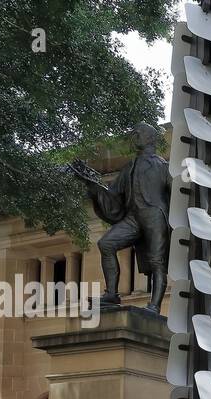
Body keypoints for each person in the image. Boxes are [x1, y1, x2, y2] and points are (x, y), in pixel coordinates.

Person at [75, 121, 171, 313]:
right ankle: (111, 293)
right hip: (133, 217)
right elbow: (112, 196)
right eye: (134, 133)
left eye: (139, 133)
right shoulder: (129, 167)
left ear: (150, 138)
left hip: (154, 216)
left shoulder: (163, 166)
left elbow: (179, 194)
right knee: (106, 244)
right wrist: (93, 184)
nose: (134, 137)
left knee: (156, 261)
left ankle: (154, 305)